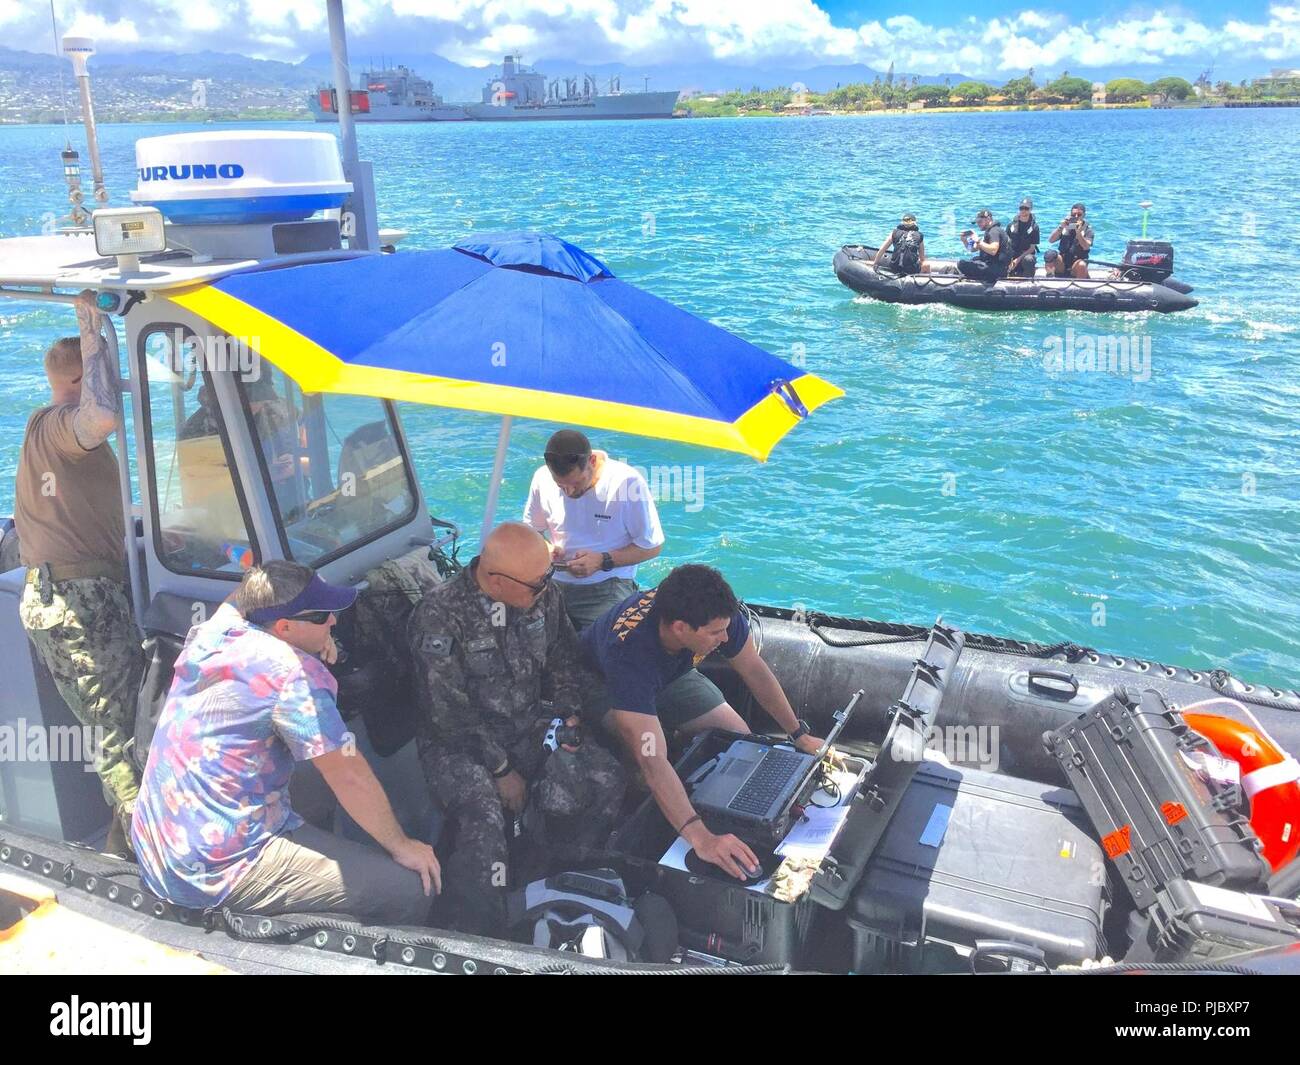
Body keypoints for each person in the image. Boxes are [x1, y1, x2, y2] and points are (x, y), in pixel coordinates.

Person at [131, 560, 440, 924]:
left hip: (157, 844)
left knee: (317, 782)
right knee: (410, 886)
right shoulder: (294, 674)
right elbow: (349, 776)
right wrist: (403, 847)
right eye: (322, 615)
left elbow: (244, 595)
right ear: (284, 626)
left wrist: (309, 636)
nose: (334, 622)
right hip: (213, 872)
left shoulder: (217, 630)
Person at [407, 522, 625, 936]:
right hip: (460, 748)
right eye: (536, 584)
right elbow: (447, 713)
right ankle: (484, 936)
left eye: (547, 579)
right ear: (495, 580)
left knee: (605, 779)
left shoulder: (542, 593)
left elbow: (564, 657)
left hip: (528, 724)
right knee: (484, 831)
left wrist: (569, 718)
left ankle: (556, 880)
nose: (545, 589)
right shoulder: (438, 616)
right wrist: (503, 770)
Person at [580, 564, 824, 881]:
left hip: (671, 674)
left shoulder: (718, 614)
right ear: (681, 628)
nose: (724, 639)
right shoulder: (628, 653)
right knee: (650, 764)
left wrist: (797, 733)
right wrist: (701, 838)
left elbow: (753, 669)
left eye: (726, 629)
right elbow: (652, 760)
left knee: (743, 740)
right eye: (714, 634)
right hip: (604, 683)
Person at [15, 290, 141, 856]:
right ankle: (150, 857)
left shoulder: (58, 437)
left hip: (90, 590)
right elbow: (103, 416)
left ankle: (124, 842)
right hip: (73, 602)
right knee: (115, 732)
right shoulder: (58, 425)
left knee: (127, 719)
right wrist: (94, 338)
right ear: (76, 379)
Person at [524, 429, 664, 632]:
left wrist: (602, 561)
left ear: (592, 461)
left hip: (607, 585)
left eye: (576, 483)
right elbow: (532, 530)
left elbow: (652, 547)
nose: (569, 492)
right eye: (560, 486)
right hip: (552, 581)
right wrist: (545, 547)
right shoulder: (541, 478)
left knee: (605, 644)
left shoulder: (627, 483)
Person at [956, 209, 1010, 283]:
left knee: (961, 264)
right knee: (973, 259)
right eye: (977, 222)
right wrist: (965, 241)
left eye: (980, 222)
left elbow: (993, 250)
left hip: (996, 269)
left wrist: (978, 240)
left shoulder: (994, 231)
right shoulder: (988, 232)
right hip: (992, 266)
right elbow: (972, 249)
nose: (978, 224)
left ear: (988, 219)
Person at [1048, 202, 1094, 278]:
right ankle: (1050, 278)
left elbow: (1086, 247)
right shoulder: (1065, 226)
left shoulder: (1088, 230)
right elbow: (1051, 240)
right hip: (1063, 261)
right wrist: (1060, 227)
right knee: (1050, 255)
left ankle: (1080, 286)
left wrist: (1078, 233)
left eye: (1079, 215)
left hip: (1078, 262)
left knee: (1081, 264)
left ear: (1084, 215)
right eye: (1073, 215)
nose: (1076, 217)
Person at [1004, 197, 1041, 278]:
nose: (1023, 210)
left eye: (1026, 208)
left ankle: (1027, 281)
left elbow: (1032, 248)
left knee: (1029, 260)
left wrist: (1018, 259)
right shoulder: (1011, 225)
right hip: (1013, 253)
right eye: (1021, 208)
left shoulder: (1034, 227)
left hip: (1026, 254)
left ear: (1030, 209)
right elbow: (1006, 243)